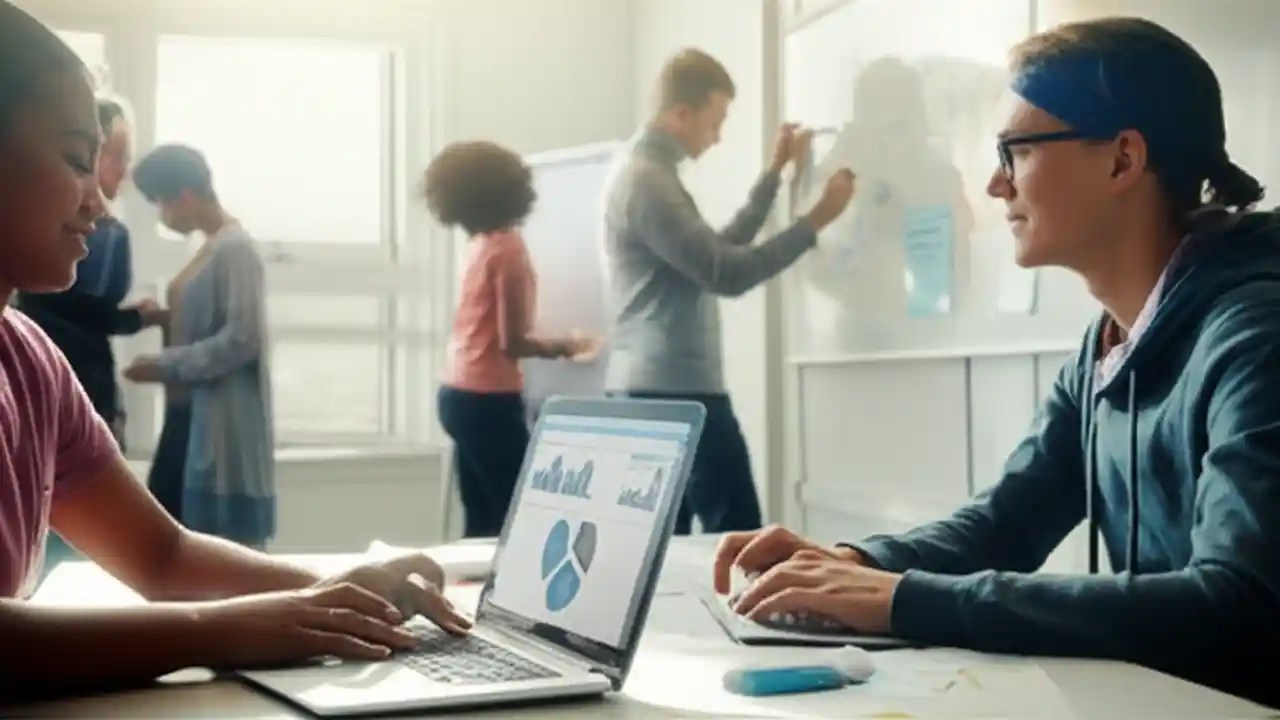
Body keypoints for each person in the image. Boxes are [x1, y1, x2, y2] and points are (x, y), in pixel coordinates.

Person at [713, 17, 1280, 709]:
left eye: (1015, 152)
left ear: (1122, 160)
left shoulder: (1257, 334)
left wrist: (903, 600)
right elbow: (1007, 522)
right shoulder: (1108, 344)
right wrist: (856, 564)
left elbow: (1236, 606)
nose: (993, 185)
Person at [0, 2, 470, 698]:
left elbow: (164, 555)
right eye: (76, 159)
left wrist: (335, 592)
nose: (100, 203)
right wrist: (221, 628)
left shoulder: (31, 361)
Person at [600, 48, 854, 535]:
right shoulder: (647, 182)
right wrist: (816, 219)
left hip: (656, 387)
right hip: (673, 391)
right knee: (737, 533)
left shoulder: (643, 174)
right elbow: (726, 273)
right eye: (714, 123)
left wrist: (774, 175)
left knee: (665, 543)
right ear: (681, 114)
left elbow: (715, 251)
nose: (716, 138)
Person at [424, 141, 600, 538]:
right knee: (518, 516)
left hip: (456, 394)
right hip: (487, 400)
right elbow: (513, 341)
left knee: (483, 520)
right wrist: (570, 346)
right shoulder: (508, 249)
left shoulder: (479, 246)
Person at [119, 144, 276, 550]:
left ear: (185, 195)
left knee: (208, 546)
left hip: (216, 419)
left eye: (161, 203)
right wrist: (165, 319)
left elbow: (243, 337)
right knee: (164, 533)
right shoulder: (211, 246)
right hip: (187, 415)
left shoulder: (236, 250)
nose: (162, 215)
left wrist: (166, 364)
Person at [17, 95, 165, 446]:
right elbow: (83, 312)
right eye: (116, 156)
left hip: (69, 385)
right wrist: (138, 318)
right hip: (78, 387)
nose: (124, 171)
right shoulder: (108, 233)